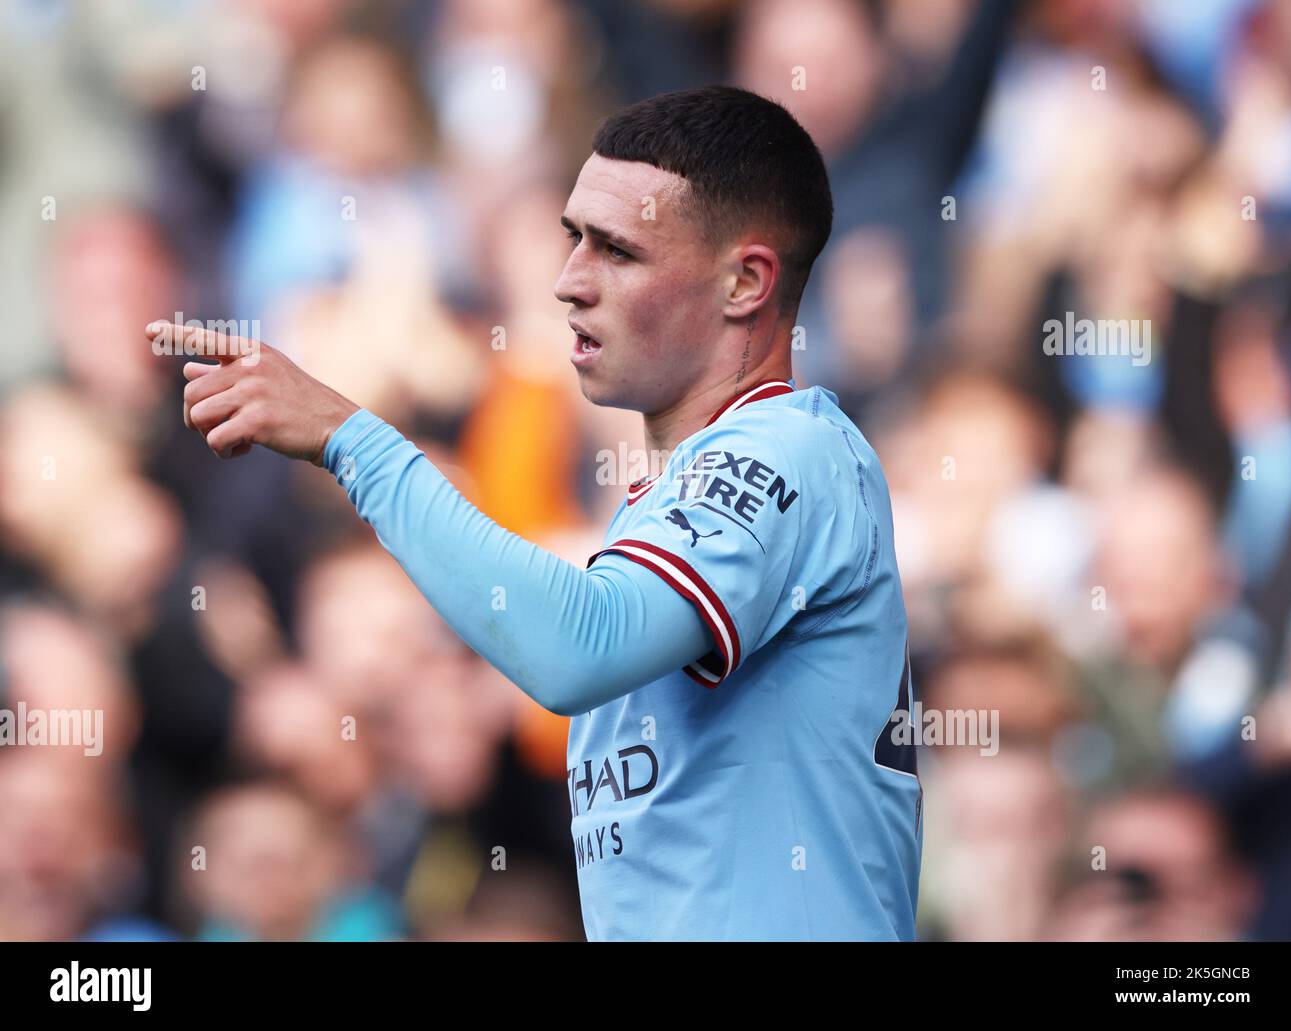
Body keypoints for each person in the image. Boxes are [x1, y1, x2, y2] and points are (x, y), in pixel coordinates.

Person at [148, 86, 920, 941]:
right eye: (572, 239)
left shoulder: (788, 451)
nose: (568, 283)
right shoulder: (663, 509)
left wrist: (352, 441)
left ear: (744, 281)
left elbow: (577, 646)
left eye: (617, 251)